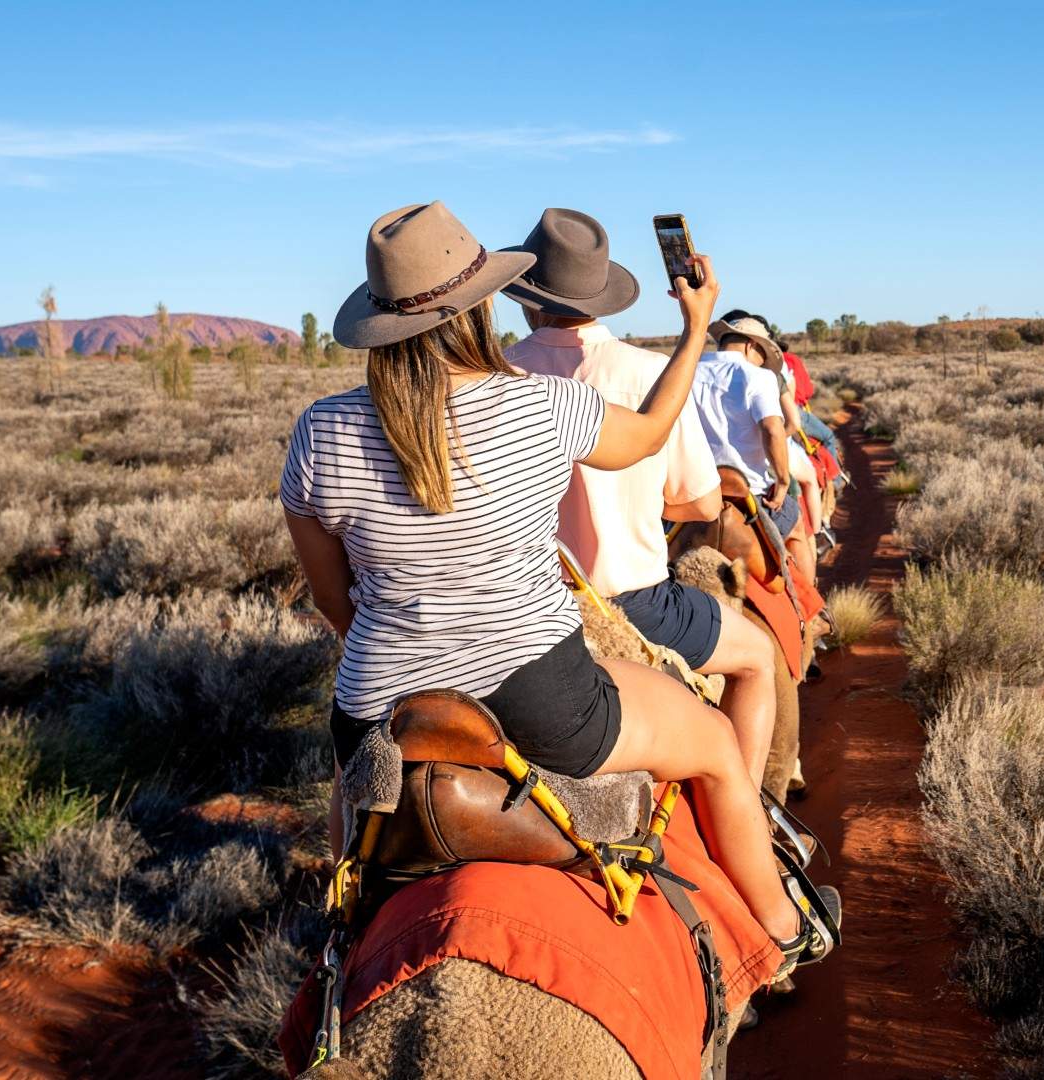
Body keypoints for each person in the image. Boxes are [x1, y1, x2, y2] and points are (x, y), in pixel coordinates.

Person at [280, 202, 835, 973]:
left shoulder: (320, 431)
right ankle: (784, 931)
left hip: (379, 707)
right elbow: (646, 431)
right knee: (710, 744)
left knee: (354, 854)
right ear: (476, 307)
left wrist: (411, 656)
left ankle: (339, 951)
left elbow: (334, 601)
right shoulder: (539, 406)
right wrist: (694, 328)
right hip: (537, 693)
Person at [500, 209, 780, 787]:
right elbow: (702, 505)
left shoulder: (497, 377)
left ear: (526, 298)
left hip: (527, 609)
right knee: (757, 660)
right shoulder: (653, 373)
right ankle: (749, 810)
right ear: (602, 298)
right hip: (635, 603)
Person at [693, 315, 817, 584]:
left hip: (694, 495)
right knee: (795, 525)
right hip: (748, 496)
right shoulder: (757, 377)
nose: (764, 364)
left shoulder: (686, 371)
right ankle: (809, 612)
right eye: (764, 356)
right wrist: (783, 481)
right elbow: (773, 429)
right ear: (751, 346)